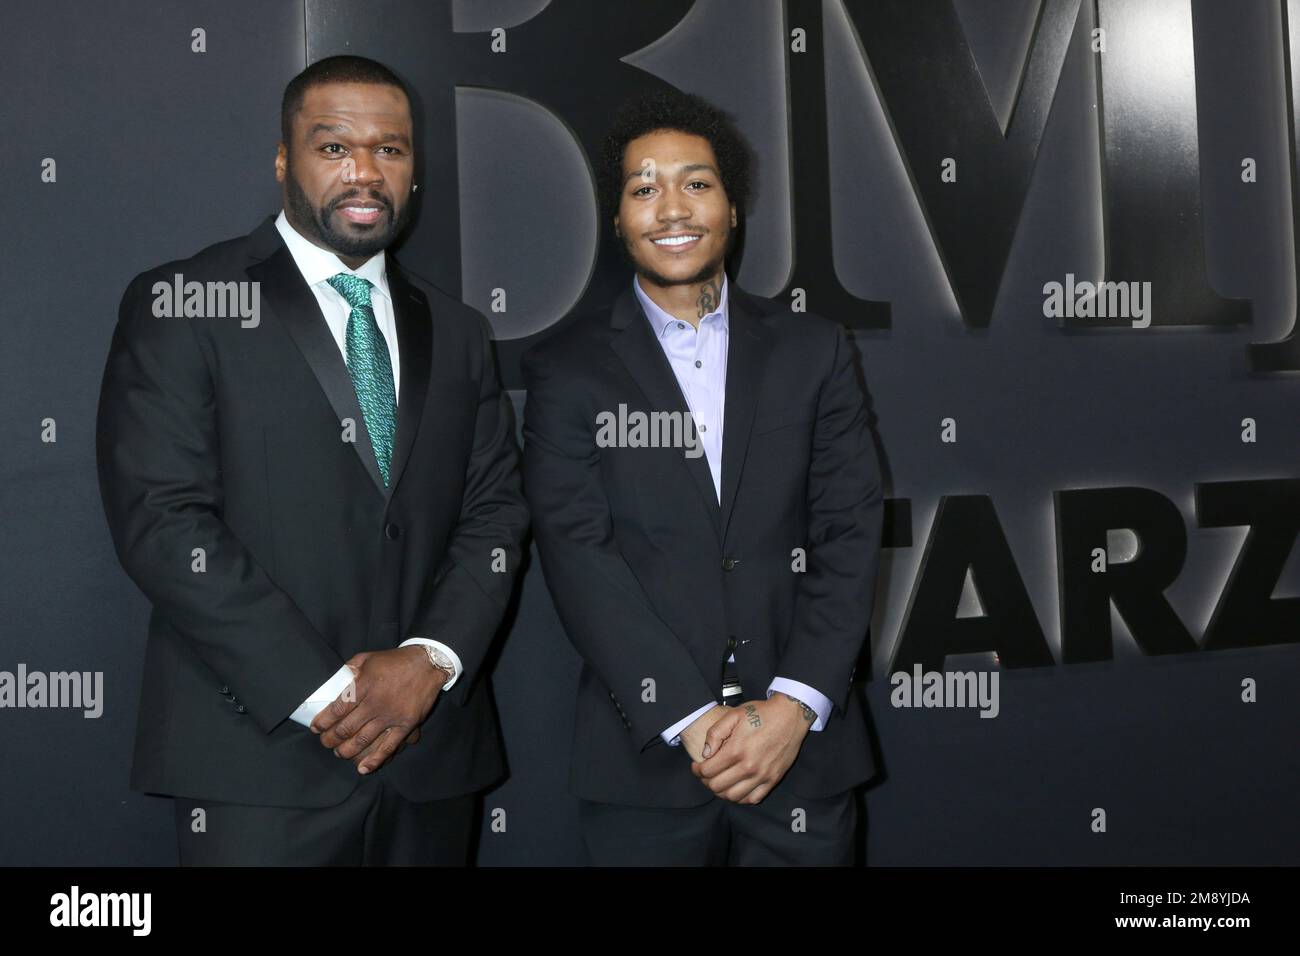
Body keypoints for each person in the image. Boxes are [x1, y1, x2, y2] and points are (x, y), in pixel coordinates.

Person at [96, 55, 528, 865]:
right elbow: (161, 518)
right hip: (256, 759)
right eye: (334, 148)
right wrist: (332, 696)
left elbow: (496, 512)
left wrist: (430, 661)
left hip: (430, 762)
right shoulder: (186, 302)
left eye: (391, 150)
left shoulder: (461, 330)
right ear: (283, 160)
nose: (365, 172)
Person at [522, 89, 884, 866]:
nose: (671, 208)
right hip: (645, 760)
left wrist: (792, 707)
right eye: (643, 188)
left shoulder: (813, 350)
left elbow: (848, 532)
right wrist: (688, 717)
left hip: (803, 756)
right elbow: (577, 551)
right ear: (617, 219)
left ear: (733, 209)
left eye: (697, 183)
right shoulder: (567, 369)